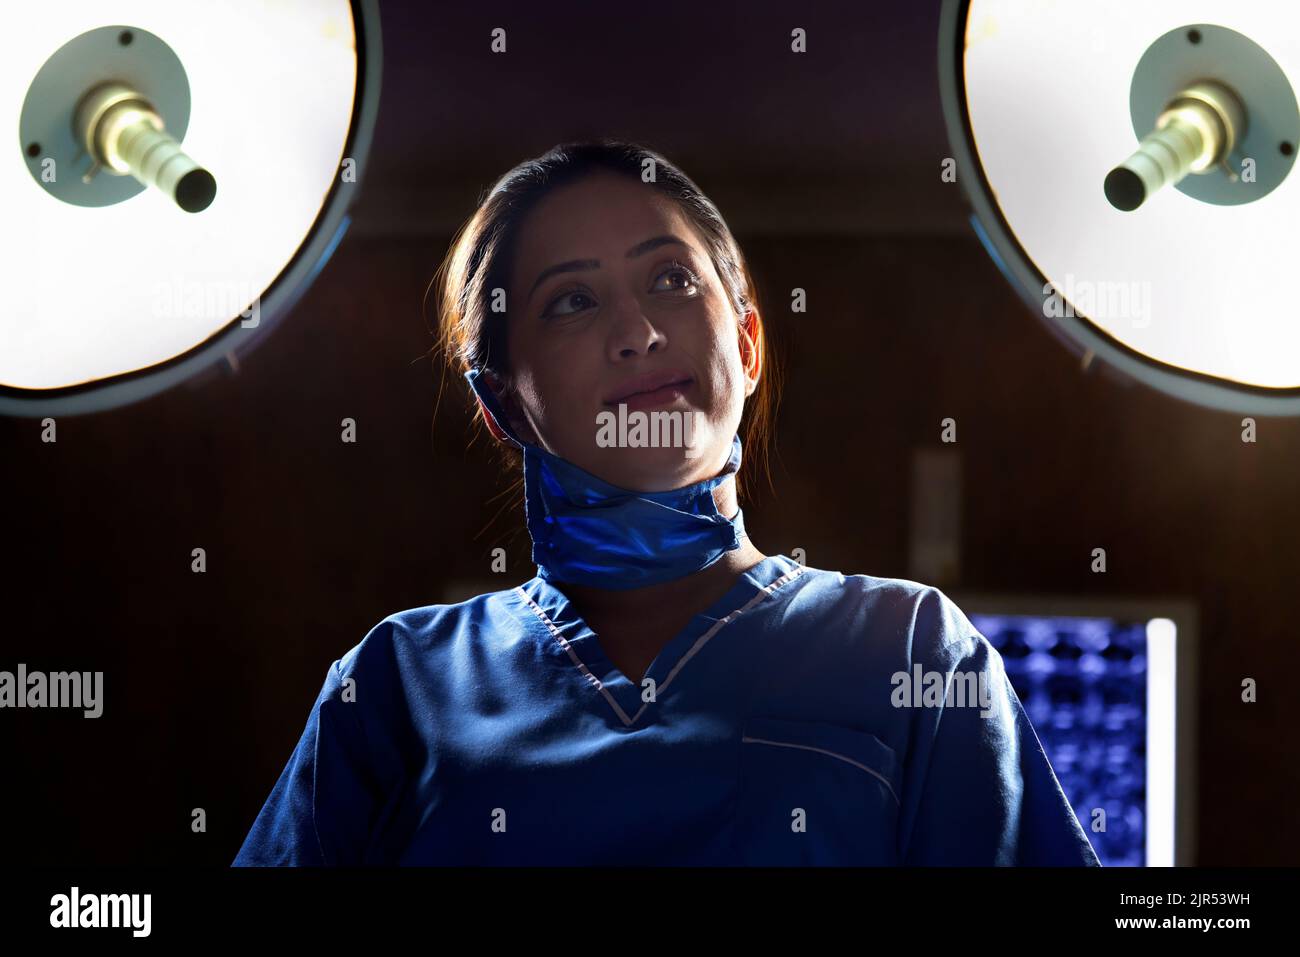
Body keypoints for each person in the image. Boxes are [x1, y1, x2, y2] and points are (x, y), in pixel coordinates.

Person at [232, 138, 1101, 866]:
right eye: (572, 300)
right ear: (501, 401)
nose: (638, 331)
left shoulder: (912, 651)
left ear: (749, 344)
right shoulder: (398, 683)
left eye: (673, 281)